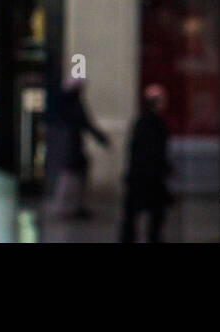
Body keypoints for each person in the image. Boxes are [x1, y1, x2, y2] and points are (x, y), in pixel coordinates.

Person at [47, 77, 108, 219]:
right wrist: (101, 138)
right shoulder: (73, 103)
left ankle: (74, 206)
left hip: (69, 145)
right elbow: (86, 123)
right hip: (71, 146)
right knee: (69, 176)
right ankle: (65, 207)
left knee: (74, 175)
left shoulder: (64, 102)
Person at [120, 84, 173, 242]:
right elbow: (153, 152)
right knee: (152, 213)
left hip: (141, 176)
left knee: (135, 214)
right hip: (149, 177)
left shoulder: (142, 122)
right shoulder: (154, 124)